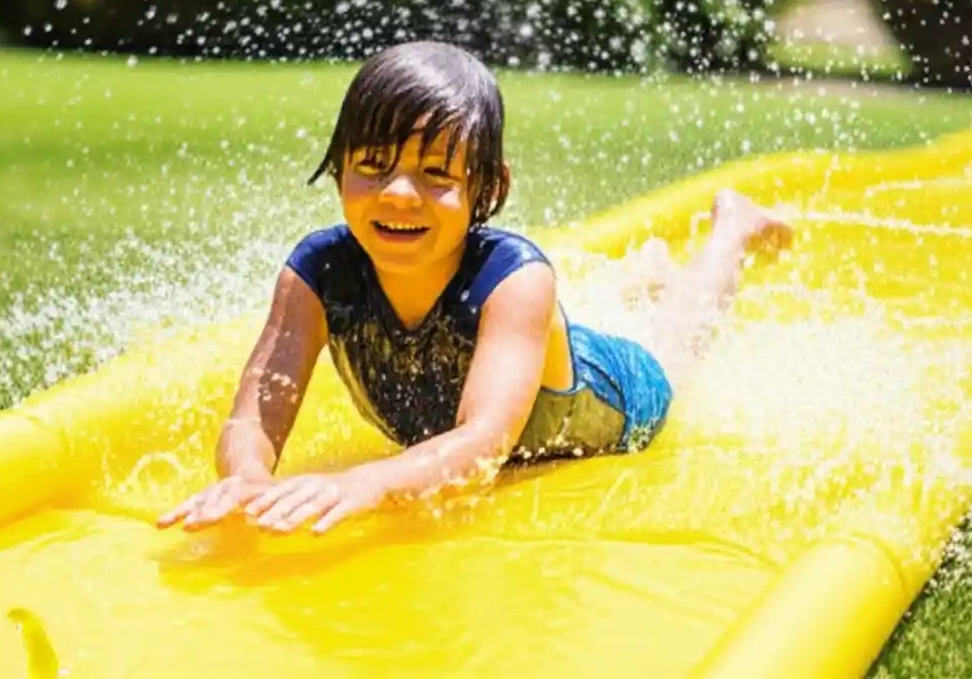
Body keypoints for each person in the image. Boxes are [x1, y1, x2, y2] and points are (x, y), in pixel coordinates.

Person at [157, 41, 791, 536]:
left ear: (486, 188)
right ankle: (642, 276)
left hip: (616, 399)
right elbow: (256, 411)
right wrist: (245, 477)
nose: (399, 193)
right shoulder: (315, 274)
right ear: (340, 166)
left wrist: (364, 484)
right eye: (373, 167)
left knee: (681, 342)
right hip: (529, 352)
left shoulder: (515, 278)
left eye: (436, 175)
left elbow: (484, 443)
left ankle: (729, 230)